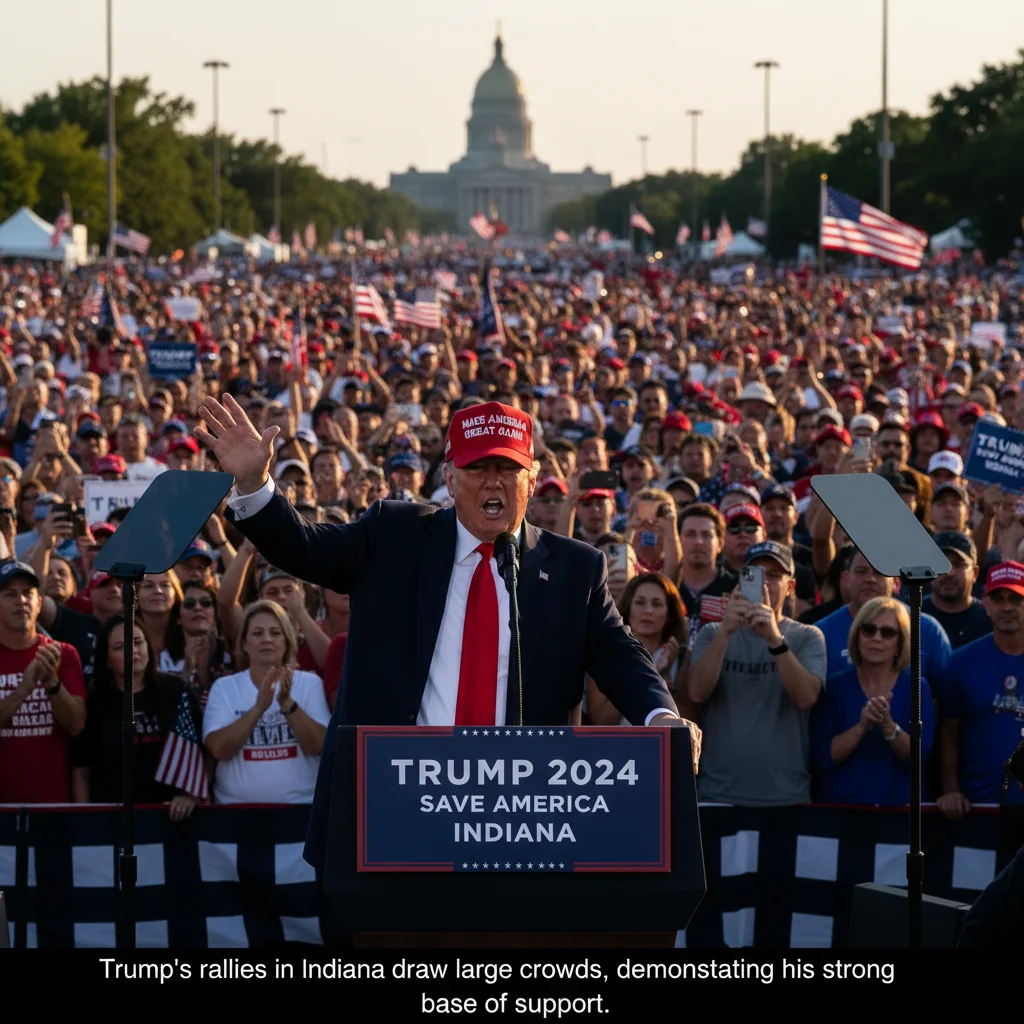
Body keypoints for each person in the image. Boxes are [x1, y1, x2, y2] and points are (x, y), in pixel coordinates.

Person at [196, 396, 695, 873]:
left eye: (509, 469)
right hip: (391, 805)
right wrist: (255, 484)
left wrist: (660, 715)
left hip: (518, 819)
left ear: (534, 479)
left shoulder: (574, 569)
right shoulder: (393, 535)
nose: (493, 482)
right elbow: (304, 548)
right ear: (451, 479)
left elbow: (618, 652)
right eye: (478, 468)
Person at [686, 541, 825, 806]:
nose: (765, 584)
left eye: (774, 576)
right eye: (755, 575)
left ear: (790, 586)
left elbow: (807, 697)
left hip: (785, 796)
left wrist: (774, 638)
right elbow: (696, 693)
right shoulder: (713, 633)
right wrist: (726, 631)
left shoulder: (807, 636)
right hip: (719, 793)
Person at [71, 615, 200, 820]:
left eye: (138, 642)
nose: (132, 650)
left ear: (148, 647)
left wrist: (191, 795)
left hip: (172, 819)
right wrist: (85, 819)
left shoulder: (177, 691)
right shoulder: (94, 702)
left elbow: (206, 751)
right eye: (120, 647)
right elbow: (81, 770)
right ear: (106, 660)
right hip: (112, 822)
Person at [203, 600, 330, 804]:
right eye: (257, 633)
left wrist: (288, 704)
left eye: (275, 632)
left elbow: (319, 745)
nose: (267, 639)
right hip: (235, 815)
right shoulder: (224, 687)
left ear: (287, 641)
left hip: (301, 811)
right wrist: (259, 708)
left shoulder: (310, 684)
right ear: (244, 643)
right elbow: (218, 749)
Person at [811, 596, 935, 805]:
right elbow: (824, 756)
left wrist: (888, 727)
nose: (877, 638)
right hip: (843, 813)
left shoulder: (918, 687)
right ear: (856, 637)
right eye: (868, 630)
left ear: (900, 641)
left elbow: (920, 756)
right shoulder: (834, 687)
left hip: (899, 814)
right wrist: (861, 727)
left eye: (887, 633)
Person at [0, 561, 87, 802]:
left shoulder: (64, 654)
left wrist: (52, 684)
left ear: (39, 603)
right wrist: (24, 689)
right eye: (10, 594)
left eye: (28, 593)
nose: (21, 601)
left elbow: (76, 725)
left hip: (51, 808)